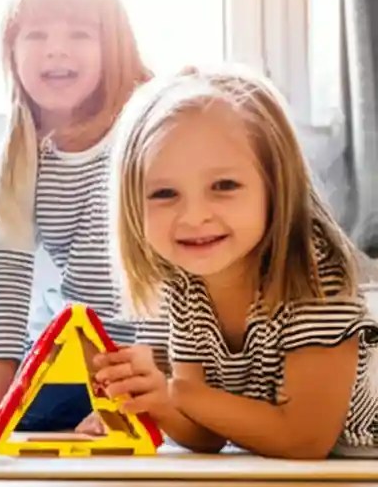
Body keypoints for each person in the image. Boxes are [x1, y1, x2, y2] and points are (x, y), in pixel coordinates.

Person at [0, 0, 167, 430]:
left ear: (112, 48)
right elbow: (6, 268)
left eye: (79, 34)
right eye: (36, 35)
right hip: (67, 333)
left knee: (30, 413)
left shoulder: (142, 127)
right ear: (12, 55)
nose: (56, 49)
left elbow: (153, 280)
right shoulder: (21, 149)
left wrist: (121, 395)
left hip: (149, 340)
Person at [97, 64, 378, 459]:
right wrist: (156, 400)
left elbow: (305, 438)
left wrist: (179, 391)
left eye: (224, 186)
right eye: (164, 194)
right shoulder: (187, 281)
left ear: (275, 185)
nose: (193, 217)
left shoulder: (313, 272)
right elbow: (208, 433)